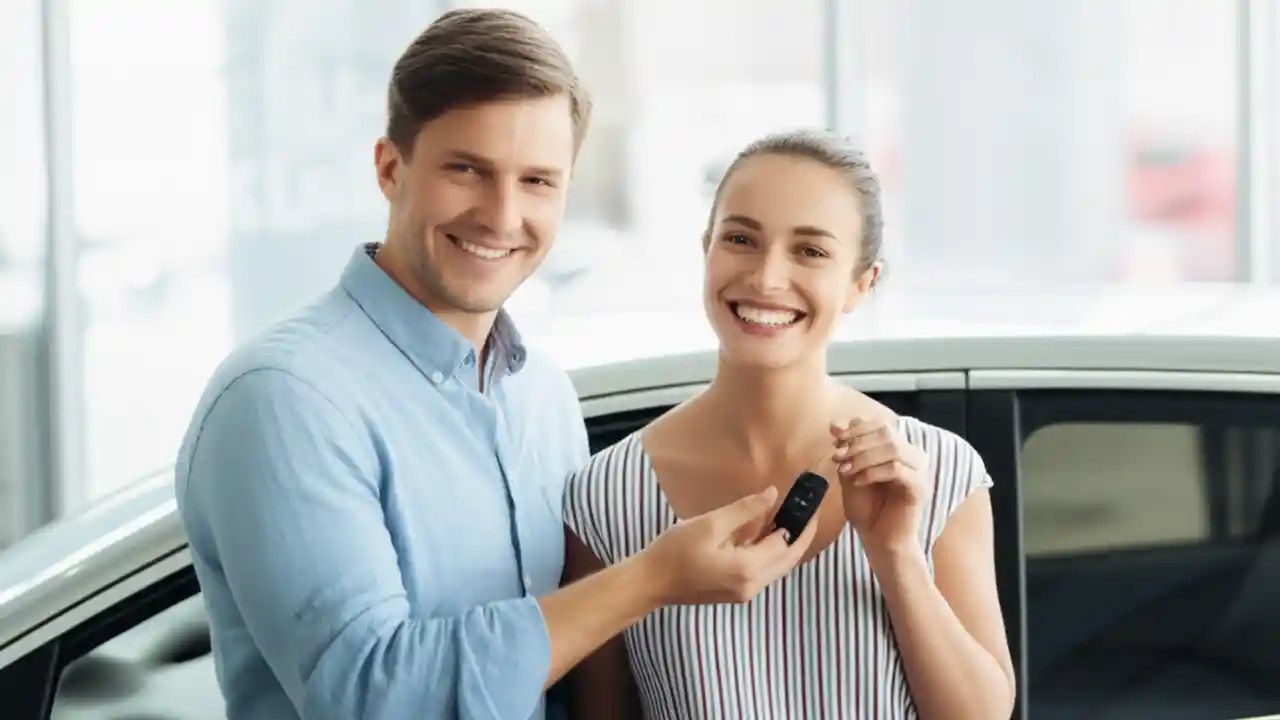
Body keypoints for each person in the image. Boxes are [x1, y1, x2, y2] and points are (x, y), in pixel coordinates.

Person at [174, 10, 816, 720]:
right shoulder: (285, 400)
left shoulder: (542, 396)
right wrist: (652, 579)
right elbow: (369, 698)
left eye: (537, 181)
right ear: (391, 168)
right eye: (467, 170)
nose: (502, 216)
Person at [561, 129, 1017, 719]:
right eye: (742, 238)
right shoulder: (606, 497)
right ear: (707, 249)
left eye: (810, 251)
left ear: (862, 283)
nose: (767, 277)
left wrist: (897, 555)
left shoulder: (941, 472)